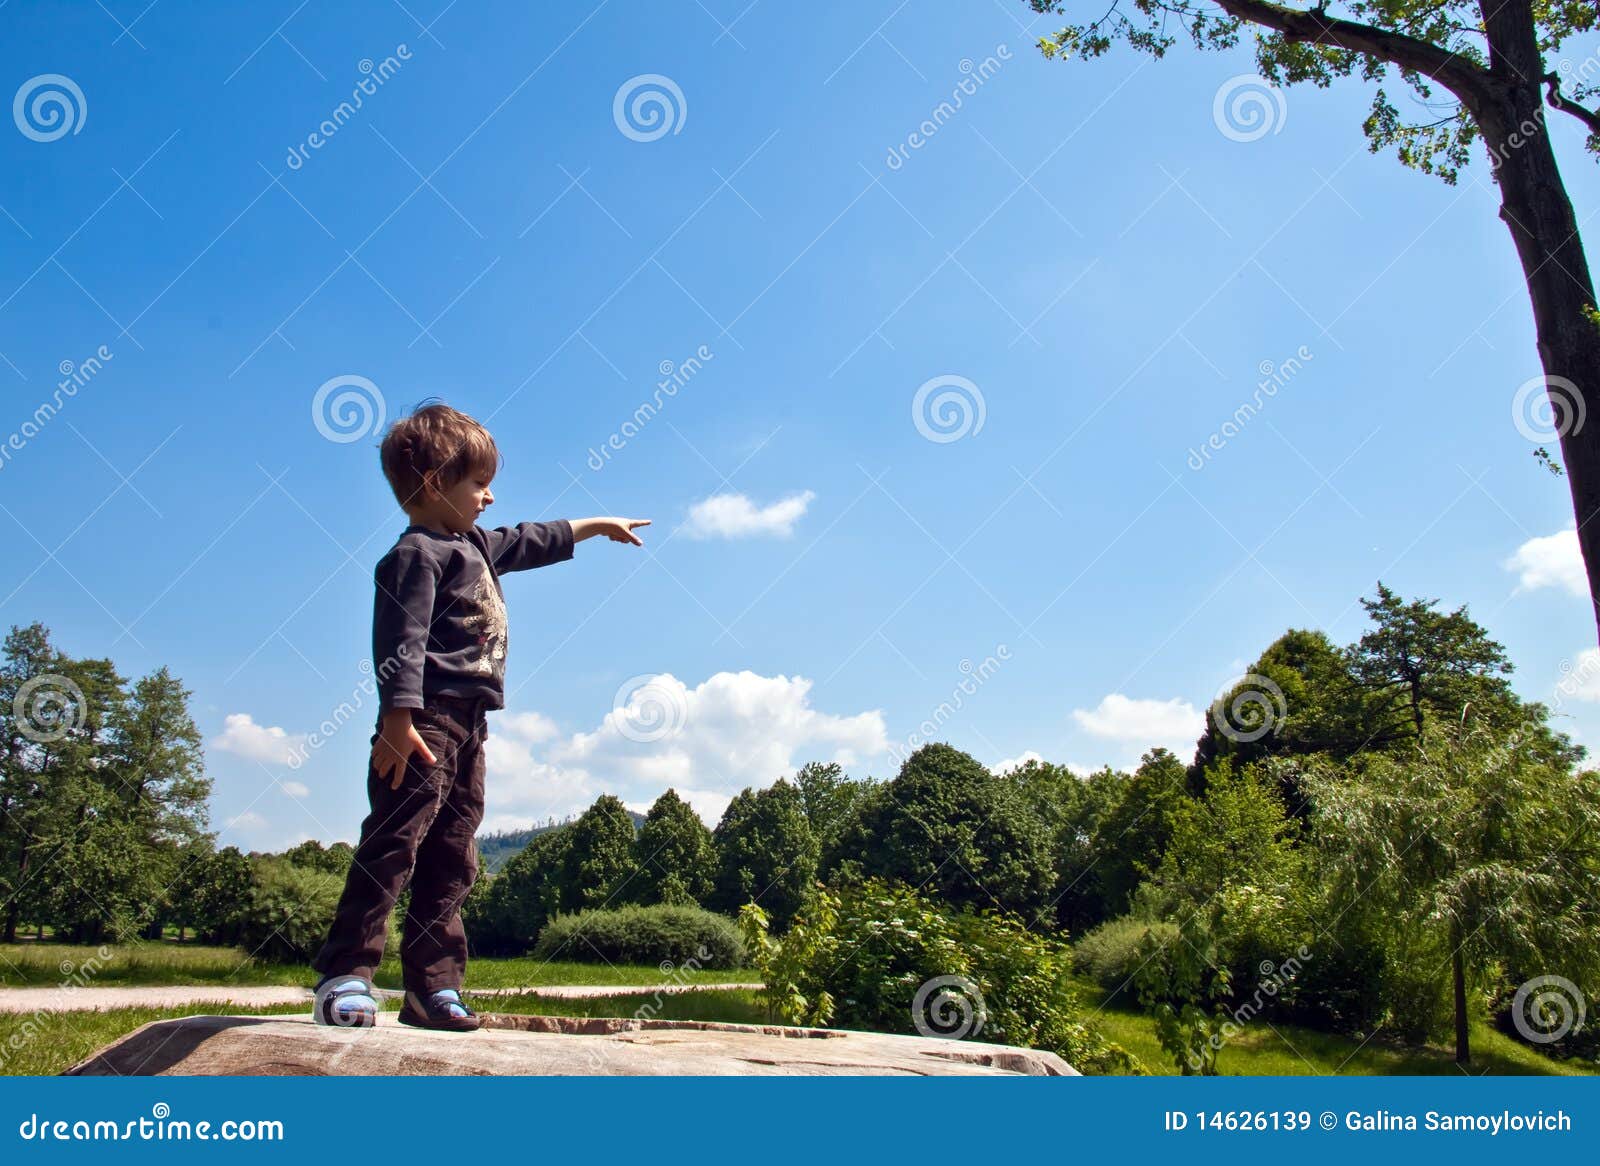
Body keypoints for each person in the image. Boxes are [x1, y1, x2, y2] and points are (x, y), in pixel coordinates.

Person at [310, 400, 649, 1030]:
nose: (490, 498)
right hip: (421, 725)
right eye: (479, 484)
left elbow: (529, 539)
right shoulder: (417, 554)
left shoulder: (472, 545)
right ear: (437, 483)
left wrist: (595, 524)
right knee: (393, 846)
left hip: (471, 725)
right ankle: (345, 976)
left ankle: (432, 987)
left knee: (455, 853)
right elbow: (401, 640)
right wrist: (397, 720)